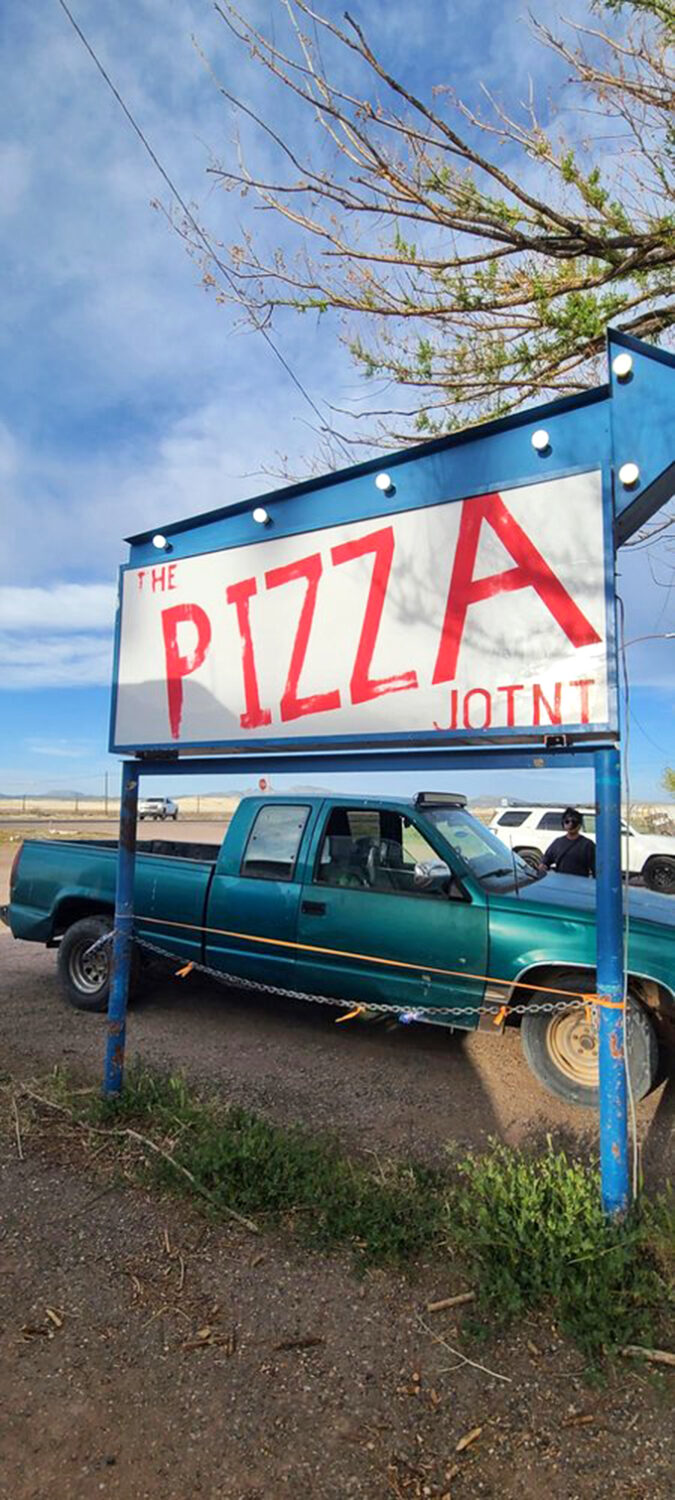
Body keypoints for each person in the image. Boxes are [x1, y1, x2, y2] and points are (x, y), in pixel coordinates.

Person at [541, 808, 596, 877]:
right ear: (563, 824)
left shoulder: (588, 845)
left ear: (579, 825)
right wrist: (543, 865)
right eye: (567, 821)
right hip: (561, 883)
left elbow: (596, 868)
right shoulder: (558, 842)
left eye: (574, 822)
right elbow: (547, 858)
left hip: (580, 884)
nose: (570, 824)